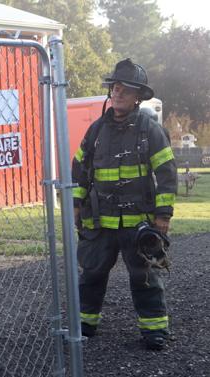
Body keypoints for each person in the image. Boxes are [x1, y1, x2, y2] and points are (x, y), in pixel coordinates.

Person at [71, 59, 177, 350]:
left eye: (125, 90)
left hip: (137, 221)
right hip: (100, 221)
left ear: (137, 97)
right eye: (114, 88)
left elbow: (166, 173)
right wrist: (77, 205)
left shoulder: (150, 130)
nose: (117, 94)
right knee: (91, 273)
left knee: (145, 276)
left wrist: (163, 215)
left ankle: (155, 331)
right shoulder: (96, 131)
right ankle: (85, 324)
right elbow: (79, 168)